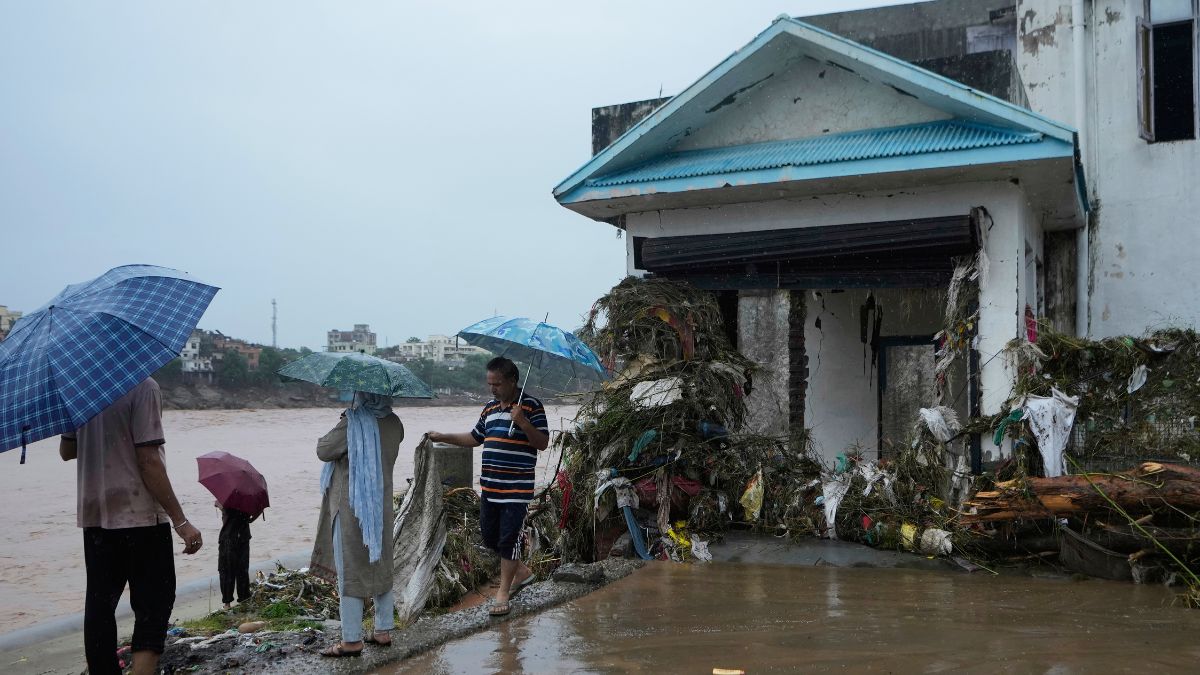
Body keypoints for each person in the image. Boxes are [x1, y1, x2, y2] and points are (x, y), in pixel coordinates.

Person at [58, 377, 202, 675]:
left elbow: (67, 451)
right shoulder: (143, 386)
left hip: (96, 516)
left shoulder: (79, 387)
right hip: (140, 516)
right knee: (154, 605)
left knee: (100, 606)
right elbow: (148, 459)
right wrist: (181, 520)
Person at [428, 356, 548, 617]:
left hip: (516, 490)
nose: (492, 389)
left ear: (512, 380)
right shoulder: (490, 408)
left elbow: (542, 443)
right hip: (490, 488)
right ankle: (523, 573)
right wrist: (442, 436)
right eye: (489, 384)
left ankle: (503, 592)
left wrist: (524, 422)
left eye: (497, 384)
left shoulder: (532, 407)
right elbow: (475, 437)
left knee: (509, 539)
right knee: (489, 537)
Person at [310, 391, 403, 657]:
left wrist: (345, 419)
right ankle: (383, 629)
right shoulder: (395, 423)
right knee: (381, 561)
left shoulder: (352, 422)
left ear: (363, 395)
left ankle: (351, 639)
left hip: (352, 508)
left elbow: (323, 450)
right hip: (381, 505)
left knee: (349, 568)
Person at [215, 500, 258, 610]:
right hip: (243, 536)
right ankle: (244, 599)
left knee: (226, 571)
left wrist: (220, 505)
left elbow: (220, 506)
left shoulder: (227, 496)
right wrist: (251, 519)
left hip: (228, 537)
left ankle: (227, 603)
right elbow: (258, 510)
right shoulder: (248, 497)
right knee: (242, 570)